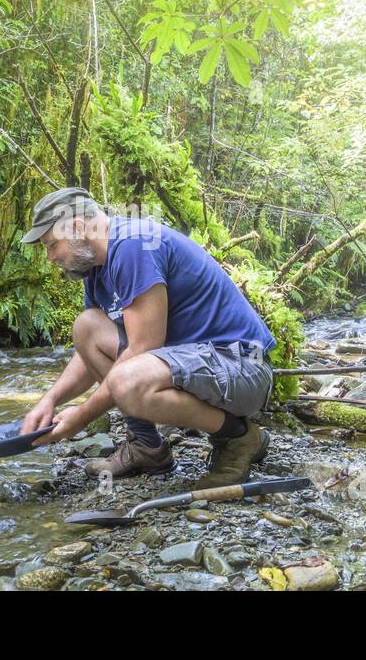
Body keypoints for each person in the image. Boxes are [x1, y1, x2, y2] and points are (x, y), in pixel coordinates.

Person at [19, 187, 276, 489]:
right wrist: (49, 400)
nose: (50, 257)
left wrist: (80, 416)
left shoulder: (134, 245)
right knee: (86, 327)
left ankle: (238, 437)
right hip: (196, 366)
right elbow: (90, 355)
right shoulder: (96, 268)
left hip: (243, 368)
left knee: (128, 379)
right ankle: (146, 445)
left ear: (76, 227)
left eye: (52, 245)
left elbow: (143, 348)